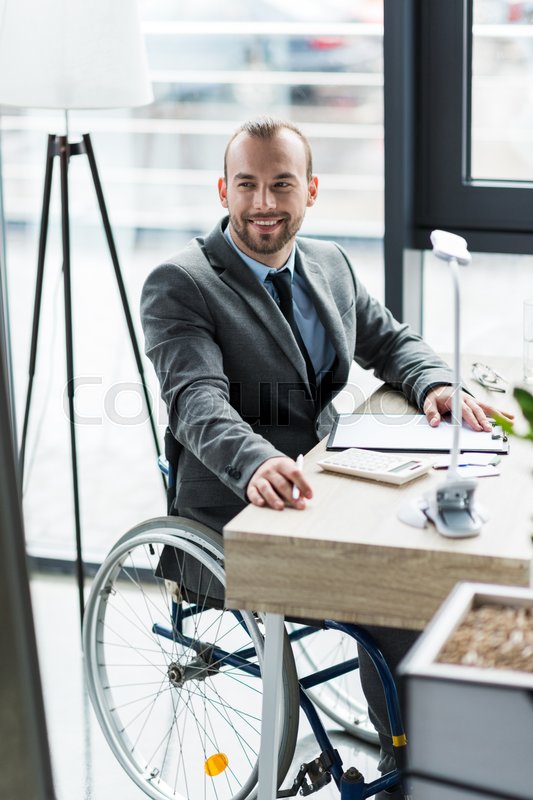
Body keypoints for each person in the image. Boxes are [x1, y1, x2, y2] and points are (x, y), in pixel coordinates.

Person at [141, 117, 509, 798]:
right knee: (396, 587)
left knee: (440, 552)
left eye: (281, 184)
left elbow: (390, 341)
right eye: (246, 184)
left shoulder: (329, 263)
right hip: (238, 505)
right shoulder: (181, 284)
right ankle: (411, 768)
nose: (263, 203)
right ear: (223, 190)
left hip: (331, 472)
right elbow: (195, 400)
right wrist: (254, 461)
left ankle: (450, 743)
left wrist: (434, 383)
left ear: (310, 190)